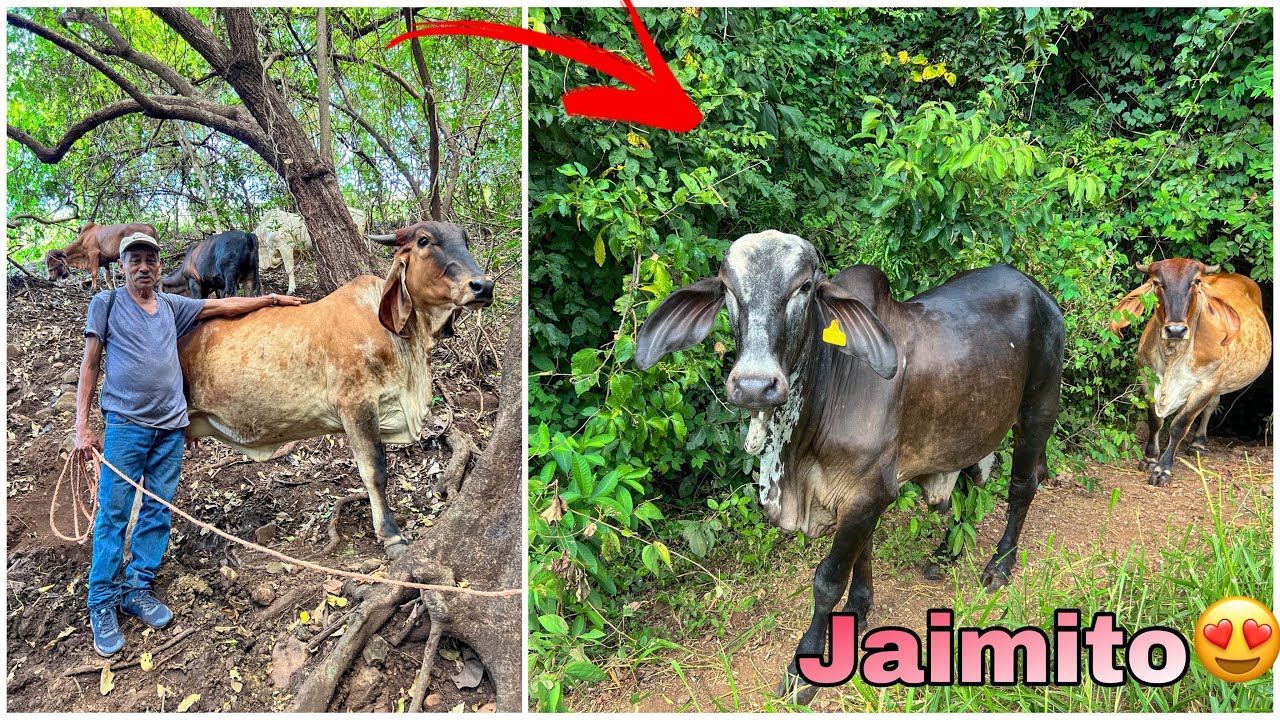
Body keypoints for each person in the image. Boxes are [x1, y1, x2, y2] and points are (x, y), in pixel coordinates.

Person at [73, 231, 305, 656]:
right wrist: (82, 427)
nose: (143, 267)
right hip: (125, 426)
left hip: (170, 428)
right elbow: (89, 366)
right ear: (121, 266)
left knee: (158, 509)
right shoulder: (106, 303)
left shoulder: (171, 306)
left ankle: (138, 587)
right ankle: (102, 600)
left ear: (161, 267)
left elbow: (223, 306)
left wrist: (272, 299)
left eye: (150, 260)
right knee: (114, 512)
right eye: (135, 260)